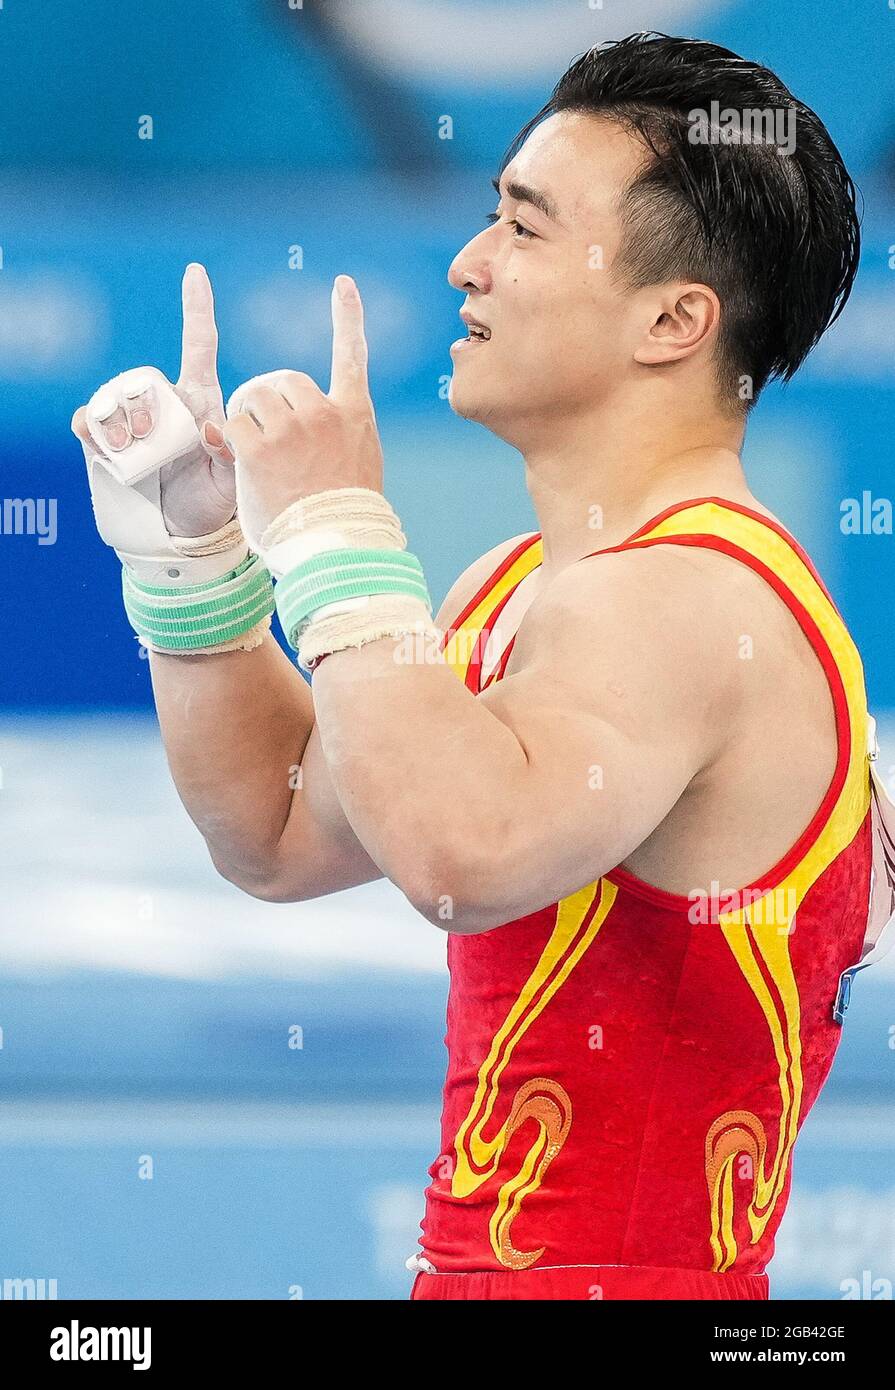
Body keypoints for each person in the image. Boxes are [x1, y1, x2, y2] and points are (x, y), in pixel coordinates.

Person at [72, 34, 890, 1300]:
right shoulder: (520, 586)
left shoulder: (685, 602)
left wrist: (336, 532)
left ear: (674, 320)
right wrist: (199, 568)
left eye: (523, 227)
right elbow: (280, 828)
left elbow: (460, 855)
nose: (468, 264)